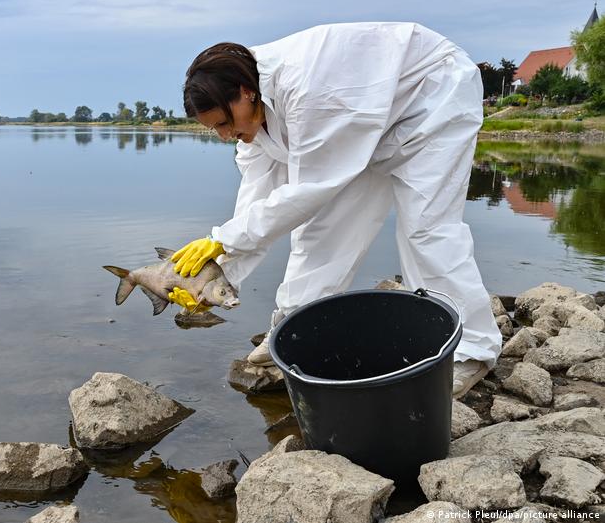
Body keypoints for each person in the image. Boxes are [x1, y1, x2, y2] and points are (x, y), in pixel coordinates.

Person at [166, 22, 502, 398]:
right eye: (215, 130)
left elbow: (307, 192)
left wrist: (222, 240)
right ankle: (291, 330)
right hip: (363, 116)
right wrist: (218, 276)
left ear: (246, 93)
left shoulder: (307, 89)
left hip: (430, 97)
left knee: (426, 229)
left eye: (225, 123)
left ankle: (470, 350)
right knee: (324, 234)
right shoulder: (254, 114)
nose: (224, 136)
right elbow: (256, 202)